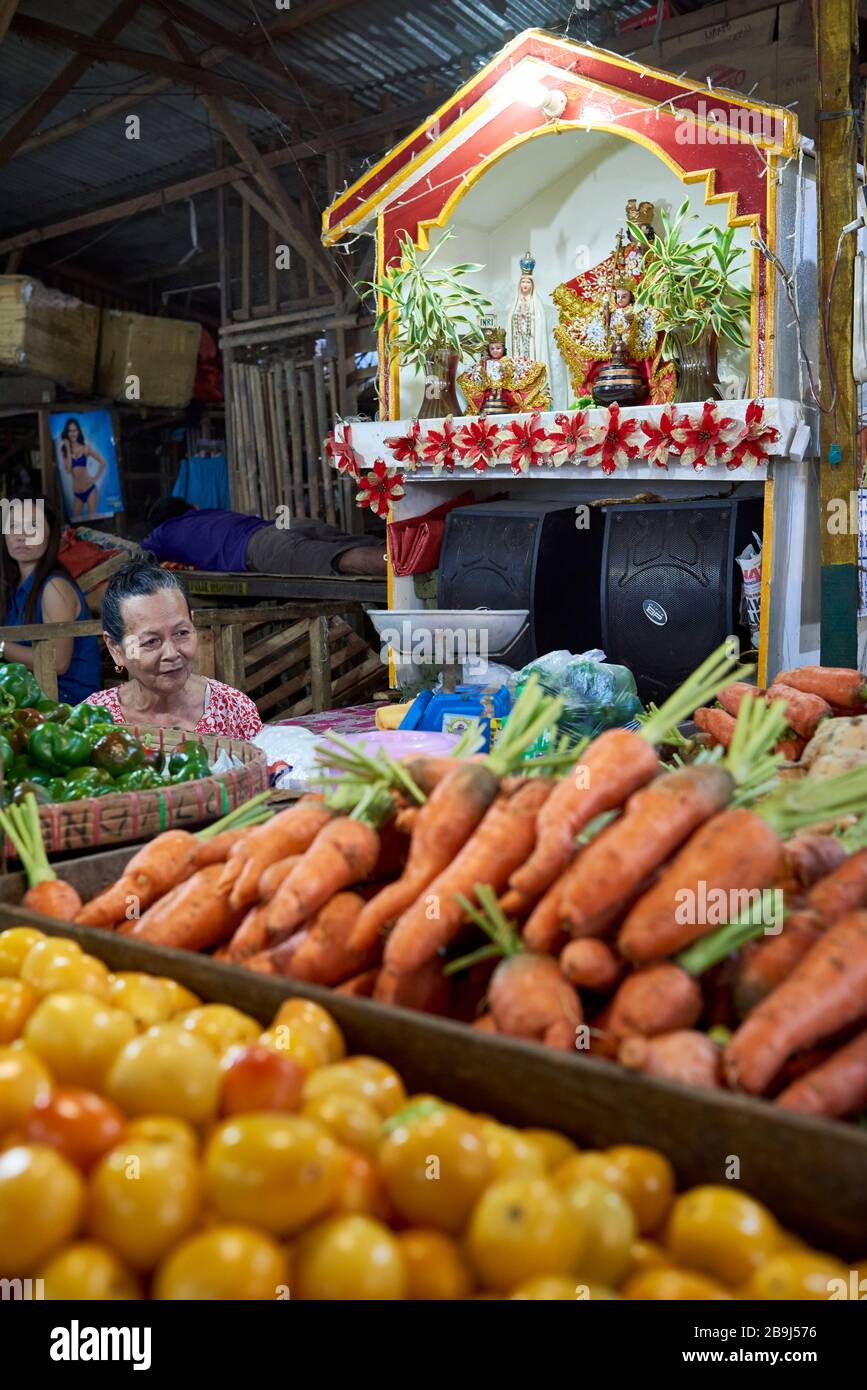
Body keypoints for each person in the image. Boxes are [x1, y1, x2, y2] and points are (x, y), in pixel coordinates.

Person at [83, 555, 262, 739]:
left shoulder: (234, 711)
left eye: (181, 633)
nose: (171, 654)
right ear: (115, 648)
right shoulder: (93, 720)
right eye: (151, 641)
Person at [0, 494, 101, 705]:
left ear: (50, 535)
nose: (21, 535)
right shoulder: (15, 586)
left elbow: (58, 662)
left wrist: (1, 646)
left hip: (66, 703)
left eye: (33, 526)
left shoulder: (54, 587)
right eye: (13, 526)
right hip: (31, 694)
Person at [142, 498, 386, 578]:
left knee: (344, 560)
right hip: (287, 525)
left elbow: (134, 552)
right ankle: (415, 554)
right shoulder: (204, 513)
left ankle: (418, 568)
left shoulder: (163, 533)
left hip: (264, 548)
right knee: (365, 543)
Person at [60, 418, 107, 520]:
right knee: (76, 521)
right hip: (77, 493)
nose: (72, 434)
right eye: (70, 431)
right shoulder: (64, 450)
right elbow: (68, 470)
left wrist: (94, 479)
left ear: (78, 432)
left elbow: (103, 462)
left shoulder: (85, 448)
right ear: (67, 433)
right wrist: (68, 448)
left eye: (75, 430)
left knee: (92, 520)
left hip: (90, 489)